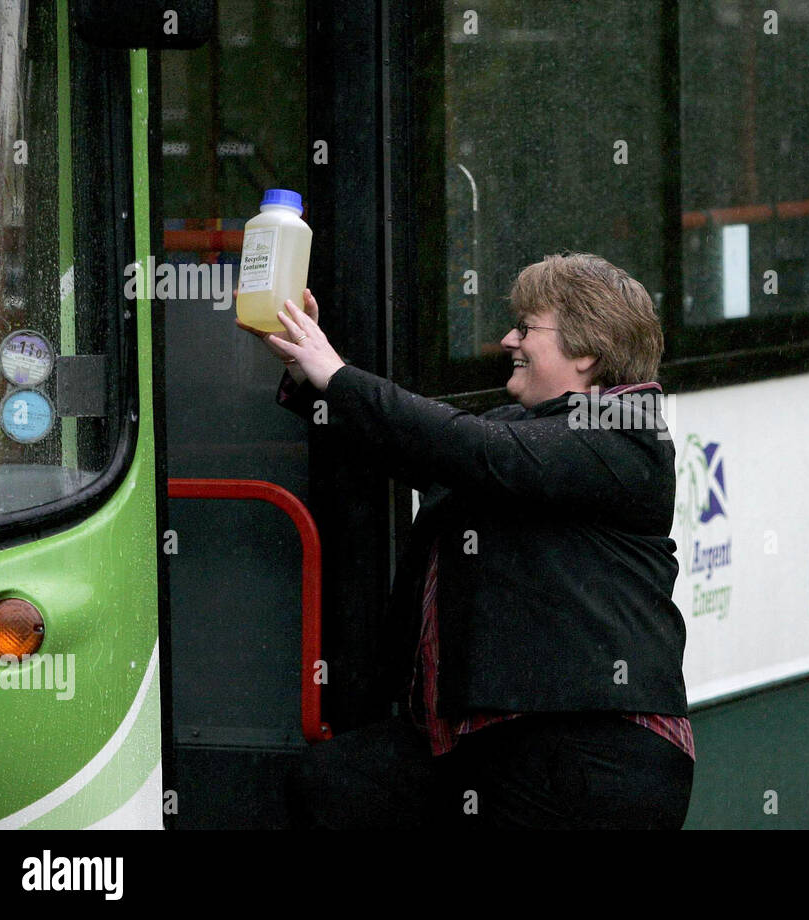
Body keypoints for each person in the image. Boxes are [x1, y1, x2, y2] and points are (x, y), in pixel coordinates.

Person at [238, 252, 694, 829]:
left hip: (594, 751)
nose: (509, 340)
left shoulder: (626, 434)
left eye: (527, 328)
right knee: (333, 785)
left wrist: (339, 374)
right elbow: (421, 444)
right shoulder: (521, 428)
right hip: (489, 745)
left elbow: (471, 449)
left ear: (587, 352)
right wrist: (309, 370)